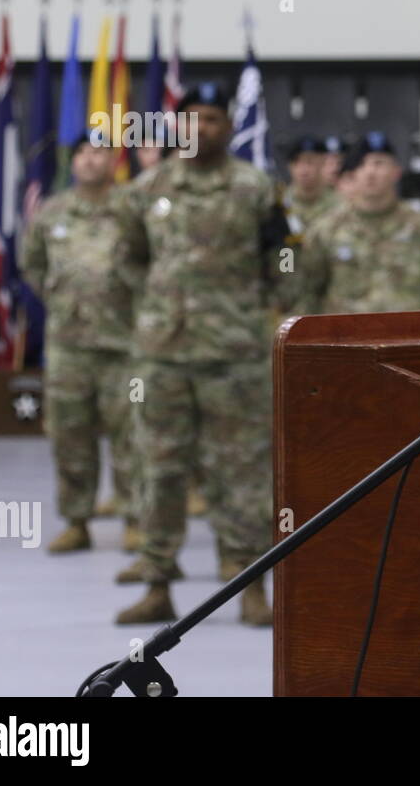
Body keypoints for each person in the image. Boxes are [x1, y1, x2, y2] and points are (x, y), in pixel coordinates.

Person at [112, 82, 288, 626]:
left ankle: (250, 585)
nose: (200, 128)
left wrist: (245, 312)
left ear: (227, 127)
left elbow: (280, 261)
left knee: (242, 474)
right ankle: (157, 581)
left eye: (211, 119)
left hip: (234, 356)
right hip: (162, 357)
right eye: (190, 119)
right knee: (159, 469)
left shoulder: (255, 189)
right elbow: (129, 262)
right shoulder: (146, 189)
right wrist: (161, 311)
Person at [20, 132, 139, 554]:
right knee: (70, 436)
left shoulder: (131, 209)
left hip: (124, 346)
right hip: (68, 346)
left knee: (131, 437)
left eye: (99, 153)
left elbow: (152, 264)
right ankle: (76, 521)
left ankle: (134, 518)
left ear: (113, 161)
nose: (90, 161)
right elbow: (31, 263)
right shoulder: (52, 213)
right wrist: (61, 298)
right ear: (73, 163)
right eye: (83, 154)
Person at [298, 132, 420, 314]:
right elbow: (308, 290)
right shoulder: (327, 228)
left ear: (396, 172)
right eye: (362, 165)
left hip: (404, 336)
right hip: (346, 337)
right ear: (353, 174)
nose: (370, 172)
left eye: (379, 163)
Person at [282, 135, 339, 239]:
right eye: (297, 162)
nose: (304, 170)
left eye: (310, 162)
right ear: (290, 167)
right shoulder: (281, 204)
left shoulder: (339, 204)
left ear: (323, 163)